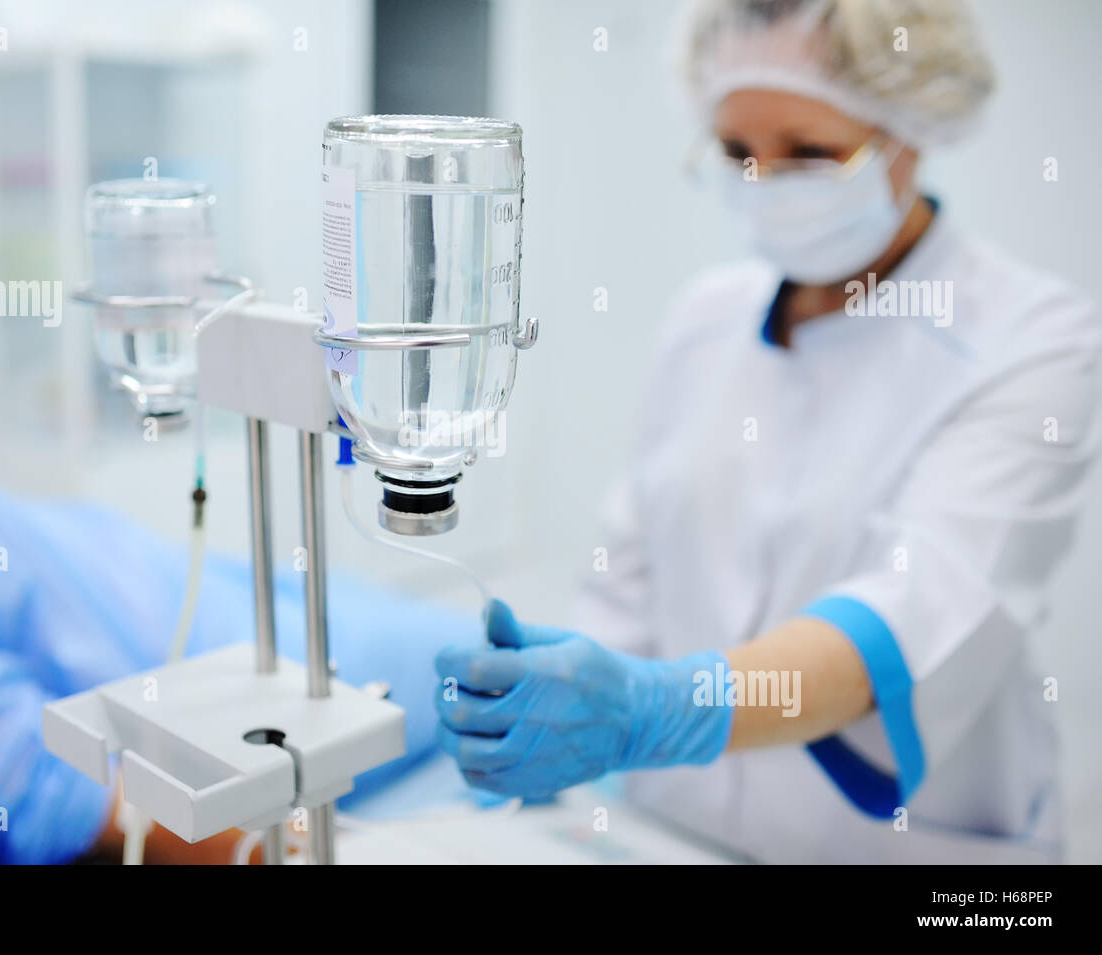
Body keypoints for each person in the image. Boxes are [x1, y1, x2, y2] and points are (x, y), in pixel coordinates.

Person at [435, 0, 1099, 863]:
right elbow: (630, 580)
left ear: (912, 130)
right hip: (671, 828)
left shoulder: (1033, 336)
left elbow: (912, 615)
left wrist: (655, 709)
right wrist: (553, 706)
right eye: (736, 153)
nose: (764, 186)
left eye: (811, 154)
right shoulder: (704, 318)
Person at [0, 444, 477, 864]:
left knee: (492, 664)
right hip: (236, 677)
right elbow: (97, 806)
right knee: (484, 674)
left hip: (193, 591)